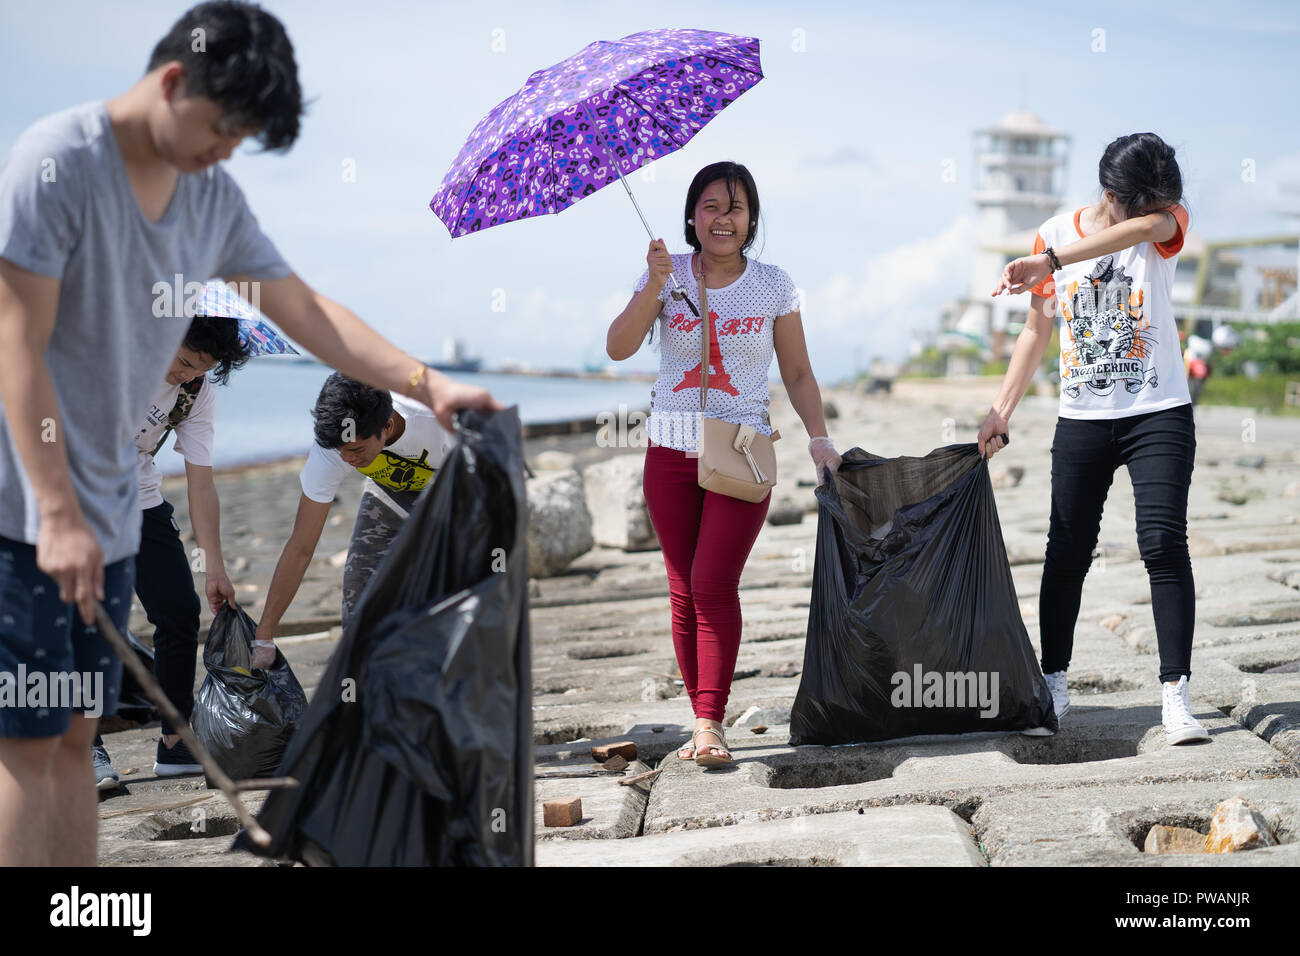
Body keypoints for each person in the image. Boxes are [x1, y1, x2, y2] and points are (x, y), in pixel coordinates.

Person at [0, 1, 499, 865]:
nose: (227, 151)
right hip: (26, 519)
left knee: (79, 733)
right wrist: (56, 510)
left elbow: (306, 310)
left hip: (113, 522)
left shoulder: (210, 198)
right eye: (224, 128)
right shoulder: (58, 161)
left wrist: (427, 382)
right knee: (25, 744)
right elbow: (15, 338)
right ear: (171, 81)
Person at [605, 161, 841, 766]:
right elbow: (618, 346)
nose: (723, 219)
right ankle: (701, 719)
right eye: (710, 206)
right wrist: (653, 284)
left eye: (735, 208)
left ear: (751, 219)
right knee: (683, 591)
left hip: (742, 451)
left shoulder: (773, 284)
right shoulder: (666, 273)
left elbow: (796, 372)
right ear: (691, 216)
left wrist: (818, 438)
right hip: (670, 451)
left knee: (713, 582)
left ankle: (710, 724)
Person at [982, 131, 1208, 746]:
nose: (1160, 211)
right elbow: (1036, 330)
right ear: (1113, 193)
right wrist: (1001, 410)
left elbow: (1141, 233)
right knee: (1068, 548)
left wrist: (1052, 263)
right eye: (1145, 201)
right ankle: (1054, 685)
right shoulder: (1053, 232)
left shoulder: (1162, 222)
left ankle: (1175, 695)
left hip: (1158, 411)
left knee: (1162, 541)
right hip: (1082, 416)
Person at [93, 316, 250, 791]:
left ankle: (177, 743)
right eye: (183, 361)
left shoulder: (196, 393)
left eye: (202, 367)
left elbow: (201, 483)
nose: (187, 374)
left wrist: (215, 567)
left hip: (139, 501)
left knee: (180, 611)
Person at [251, 373, 453, 667]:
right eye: (341, 451)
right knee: (359, 584)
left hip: (455, 487)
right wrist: (264, 637)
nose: (347, 459)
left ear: (387, 426)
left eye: (356, 450)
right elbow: (301, 546)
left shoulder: (435, 420)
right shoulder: (334, 445)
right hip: (391, 488)